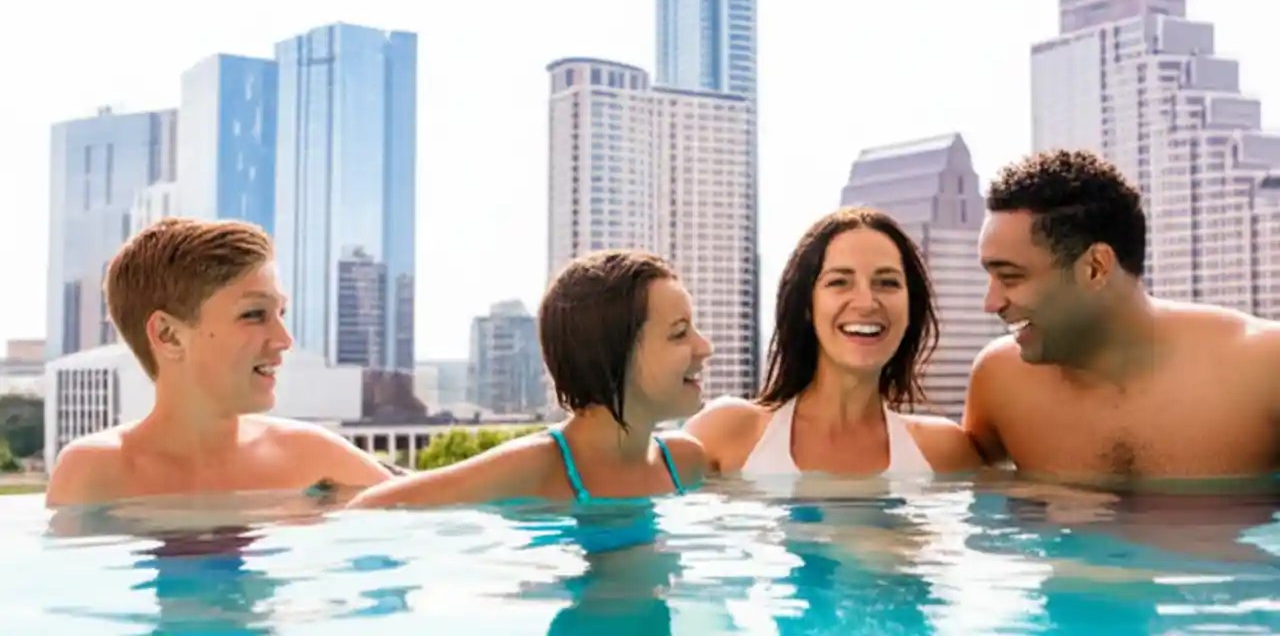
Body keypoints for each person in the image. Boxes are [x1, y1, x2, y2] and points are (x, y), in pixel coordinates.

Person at [963, 148, 1280, 480]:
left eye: (1010, 277)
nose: (991, 302)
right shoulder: (999, 381)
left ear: (1095, 268)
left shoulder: (1261, 369)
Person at [45, 218, 392, 507]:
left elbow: (420, 505)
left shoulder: (312, 457)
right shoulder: (96, 471)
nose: (285, 340)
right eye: (255, 314)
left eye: (280, 313)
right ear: (169, 335)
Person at [348, 249, 710, 509]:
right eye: (679, 333)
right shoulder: (534, 469)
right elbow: (371, 508)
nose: (705, 347)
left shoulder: (685, 463)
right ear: (613, 354)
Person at [684, 207, 982, 479]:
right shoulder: (724, 433)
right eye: (839, 282)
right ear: (807, 306)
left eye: (887, 282)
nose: (866, 302)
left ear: (910, 309)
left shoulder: (945, 452)